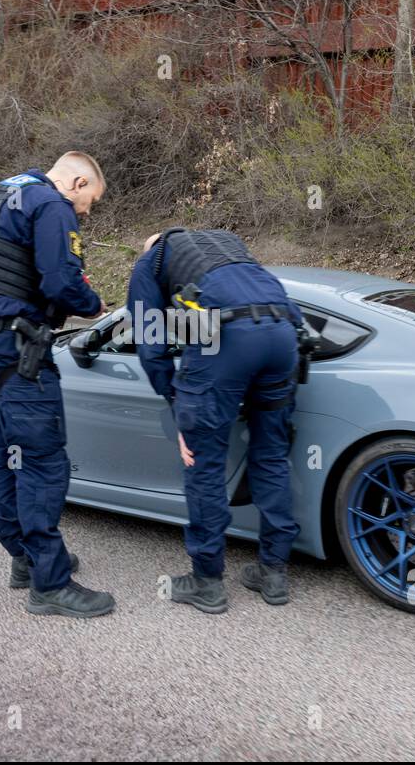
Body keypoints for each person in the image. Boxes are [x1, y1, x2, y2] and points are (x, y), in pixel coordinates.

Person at [0, 152, 114, 618]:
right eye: (89, 201)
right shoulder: (52, 204)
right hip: (17, 348)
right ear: (78, 181)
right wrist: (93, 303)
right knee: (43, 461)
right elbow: (60, 282)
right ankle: (51, 583)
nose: (85, 212)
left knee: (7, 450)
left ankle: (25, 558)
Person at [128, 228, 304, 614]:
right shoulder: (227, 244)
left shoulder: (150, 261)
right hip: (283, 334)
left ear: (152, 246)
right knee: (272, 456)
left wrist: (177, 403)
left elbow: (149, 338)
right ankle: (273, 572)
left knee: (203, 463)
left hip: (225, 338)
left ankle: (207, 581)